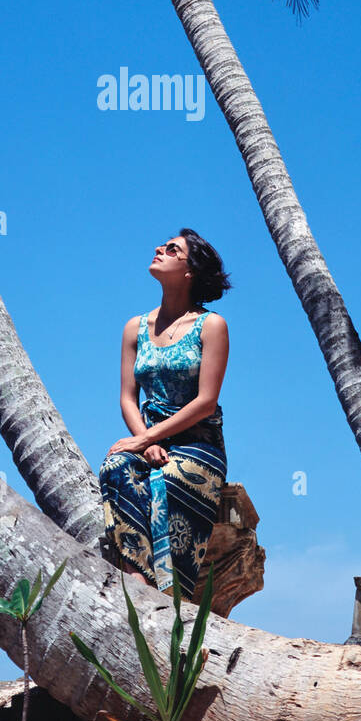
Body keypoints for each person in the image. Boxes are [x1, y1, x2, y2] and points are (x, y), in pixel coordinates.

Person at [99, 228, 231, 600]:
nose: (159, 249)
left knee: (169, 482)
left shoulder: (212, 326)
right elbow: (127, 397)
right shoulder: (135, 328)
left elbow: (206, 401)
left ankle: (171, 590)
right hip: (149, 435)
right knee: (114, 468)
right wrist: (145, 441)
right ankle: (137, 578)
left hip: (198, 444)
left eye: (172, 249)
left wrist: (149, 439)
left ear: (189, 271)